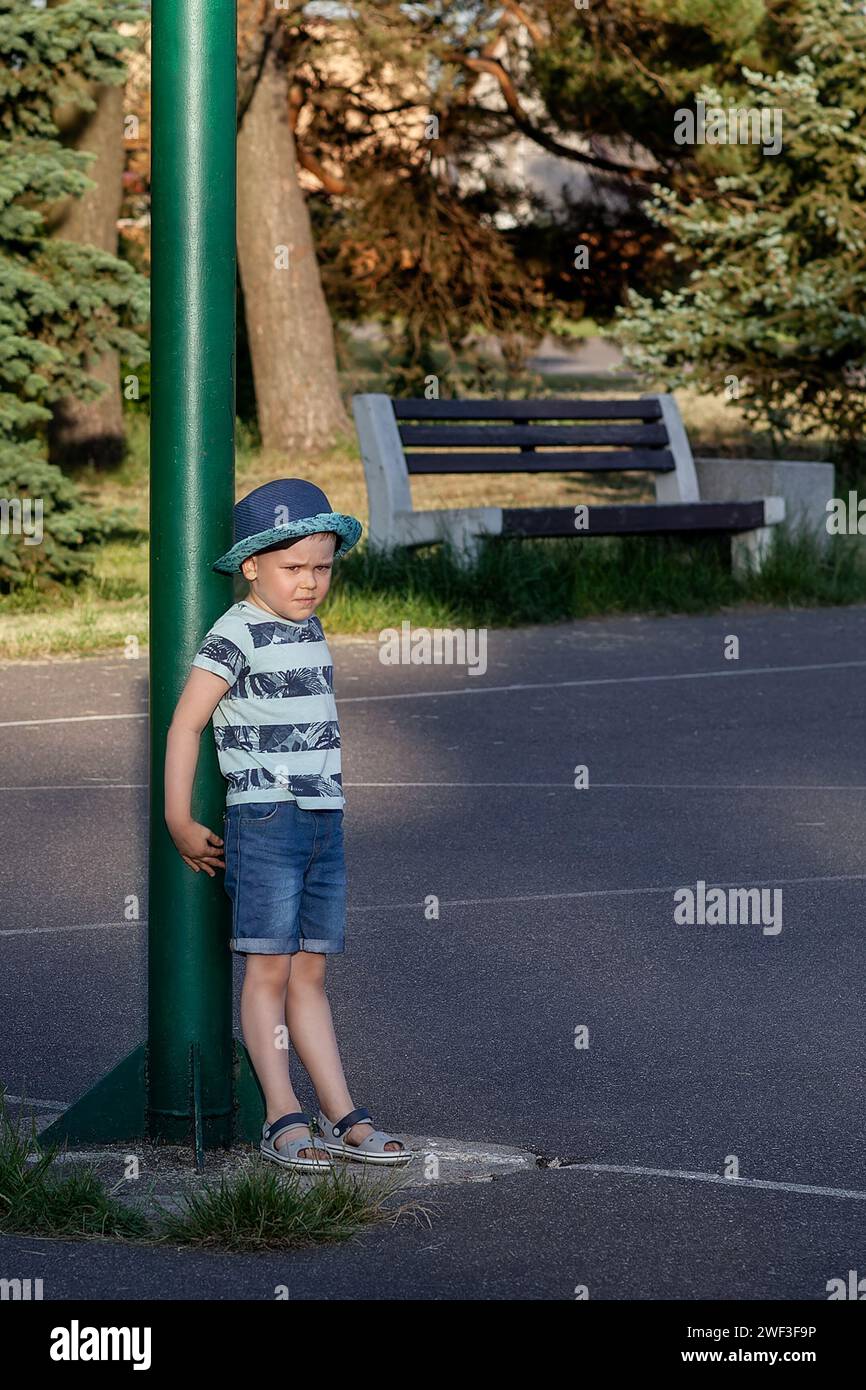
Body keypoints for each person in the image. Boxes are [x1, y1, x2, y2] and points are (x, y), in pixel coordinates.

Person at [163, 478, 410, 1173]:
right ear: (251, 565)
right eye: (293, 567)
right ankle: (280, 1113)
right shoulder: (234, 632)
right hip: (266, 820)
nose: (309, 582)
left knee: (311, 972)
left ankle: (341, 1114)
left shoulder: (309, 628)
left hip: (324, 820)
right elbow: (186, 724)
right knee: (268, 970)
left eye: (322, 568)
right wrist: (178, 817)